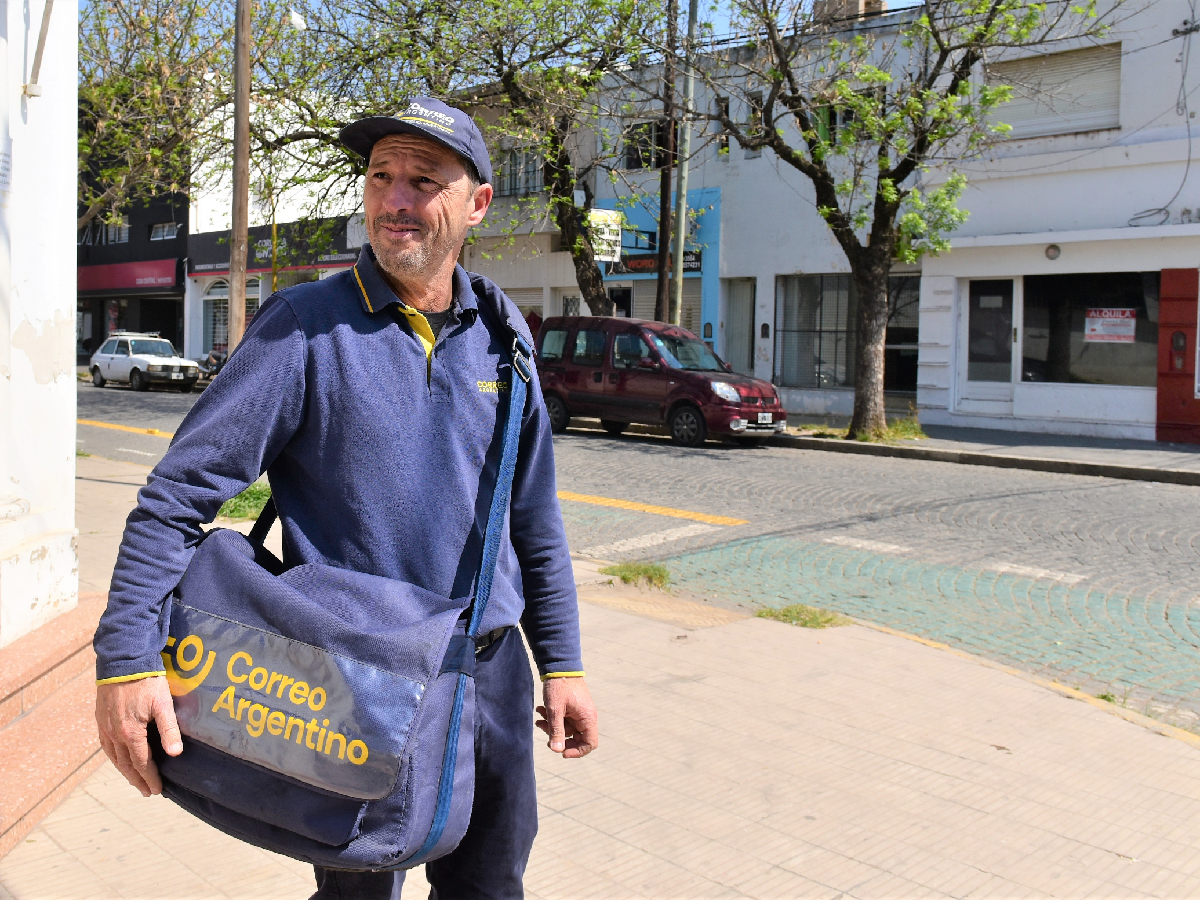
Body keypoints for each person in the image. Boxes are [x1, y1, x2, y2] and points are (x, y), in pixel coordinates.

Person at [92, 97, 598, 899]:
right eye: (381, 175)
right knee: (356, 893)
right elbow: (175, 499)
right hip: (354, 676)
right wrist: (126, 662)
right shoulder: (303, 327)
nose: (396, 199)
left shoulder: (505, 342)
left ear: (477, 204)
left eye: (424, 180)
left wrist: (562, 663)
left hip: (490, 673)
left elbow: (532, 519)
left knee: (491, 886)